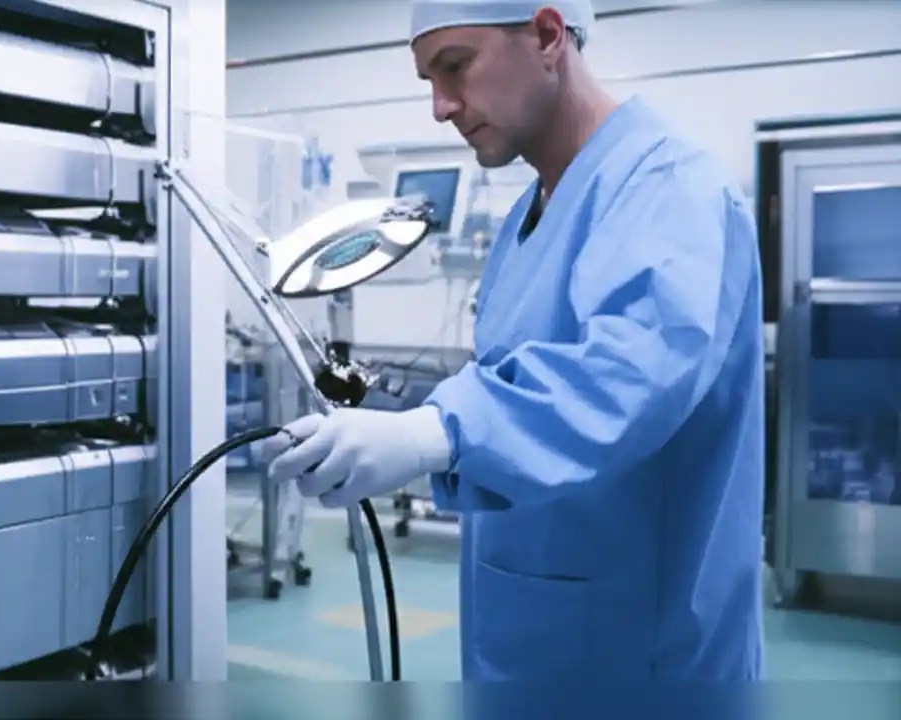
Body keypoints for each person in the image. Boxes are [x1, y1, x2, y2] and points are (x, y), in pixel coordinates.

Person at [255, 0, 765, 681]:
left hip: (640, 653)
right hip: (529, 634)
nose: (441, 106)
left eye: (456, 67)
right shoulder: (532, 212)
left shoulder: (670, 188)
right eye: (429, 81)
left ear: (549, 36)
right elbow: (518, 383)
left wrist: (430, 435)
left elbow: (627, 377)